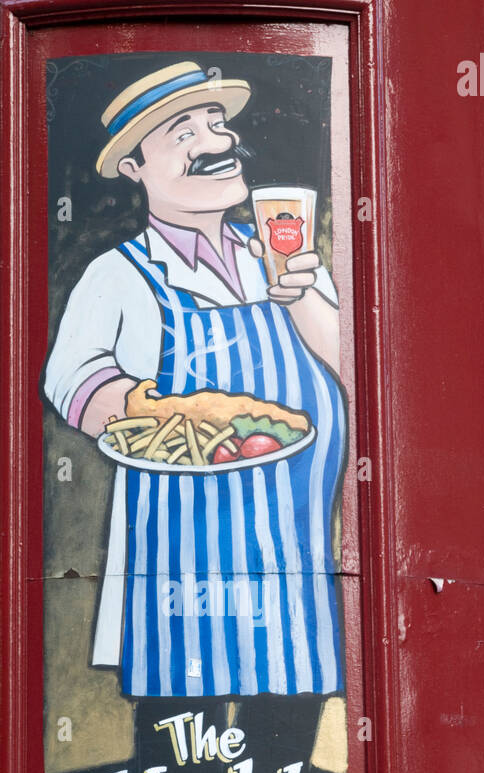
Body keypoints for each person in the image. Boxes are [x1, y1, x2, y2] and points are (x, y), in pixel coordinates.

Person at [44, 60, 347, 708]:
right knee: (179, 726)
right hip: (177, 559)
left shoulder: (281, 252)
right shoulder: (117, 273)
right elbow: (69, 376)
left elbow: (352, 366)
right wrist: (151, 413)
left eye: (216, 123)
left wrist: (301, 299)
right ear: (133, 169)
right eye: (183, 132)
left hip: (294, 552)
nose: (216, 142)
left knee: (291, 711)